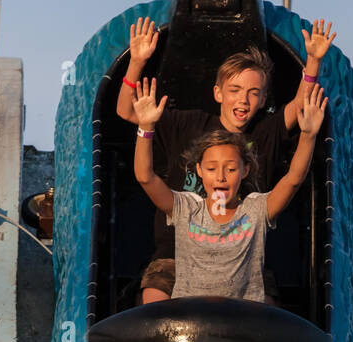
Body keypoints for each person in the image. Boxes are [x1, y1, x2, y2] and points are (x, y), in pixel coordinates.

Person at [115, 17, 337, 300]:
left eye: (253, 93)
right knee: (155, 299)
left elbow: (301, 110)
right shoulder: (189, 124)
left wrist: (313, 61)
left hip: (241, 257)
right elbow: (127, 113)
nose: (243, 101)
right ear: (218, 93)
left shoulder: (266, 132)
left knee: (265, 308)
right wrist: (136, 62)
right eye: (235, 91)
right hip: (177, 254)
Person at [131, 77, 327, 304]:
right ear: (199, 171)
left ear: (245, 171)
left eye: (231, 169)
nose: (221, 176)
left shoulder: (255, 209)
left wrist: (308, 135)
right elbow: (145, 177)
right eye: (212, 169)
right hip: (191, 319)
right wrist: (145, 128)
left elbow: (293, 179)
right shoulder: (186, 207)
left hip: (240, 323)